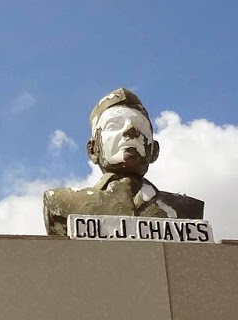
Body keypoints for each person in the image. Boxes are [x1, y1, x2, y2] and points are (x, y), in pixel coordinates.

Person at [43, 88, 203, 236]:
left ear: (154, 151)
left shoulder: (185, 209)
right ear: (93, 149)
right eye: (114, 125)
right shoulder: (64, 203)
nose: (130, 131)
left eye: (140, 126)